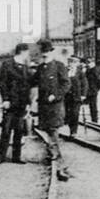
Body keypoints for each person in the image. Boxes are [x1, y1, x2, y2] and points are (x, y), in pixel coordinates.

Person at [34, 39, 73, 180]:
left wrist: (55, 95)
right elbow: (32, 82)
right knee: (48, 132)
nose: (44, 56)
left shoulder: (59, 66)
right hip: (43, 107)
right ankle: (55, 156)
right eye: (42, 54)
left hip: (55, 106)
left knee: (53, 131)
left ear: (51, 53)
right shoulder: (40, 68)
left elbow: (66, 84)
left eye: (46, 54)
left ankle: (58, 159)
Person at [0, 42, 32, 164]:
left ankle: (17, 156)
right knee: (6, 129)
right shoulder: (7, 65)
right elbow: (2, 83)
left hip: (21, 103)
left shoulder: (25, 67)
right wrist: (5, 99)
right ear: (23, 52)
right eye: (27, 52)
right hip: (10, 102)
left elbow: (27, 86)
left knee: (19, 130)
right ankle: (1, 155)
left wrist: (27, 102)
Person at [65, 54, 87, 136]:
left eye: (74, 62)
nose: (72, 64)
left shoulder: (80, 73)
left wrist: (83, 94)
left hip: (76, 96)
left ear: (77, 64)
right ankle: (69, 127)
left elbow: (84, 84)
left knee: (75, 113)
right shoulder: (65, 71)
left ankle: (73, 131)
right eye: (70, 62)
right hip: (66, 97)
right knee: (68, 113)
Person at [85, 56, 100, 125]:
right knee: (91, 106)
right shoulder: (88, 70)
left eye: (89, 62)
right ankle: (93, 120)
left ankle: (94, 120)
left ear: (93, 63)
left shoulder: (95, 70)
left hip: (93, 90)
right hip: (88, 90)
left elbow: (99, 81)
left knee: (93, 106)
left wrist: (96, 89)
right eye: (87, 62)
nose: (88, 64)